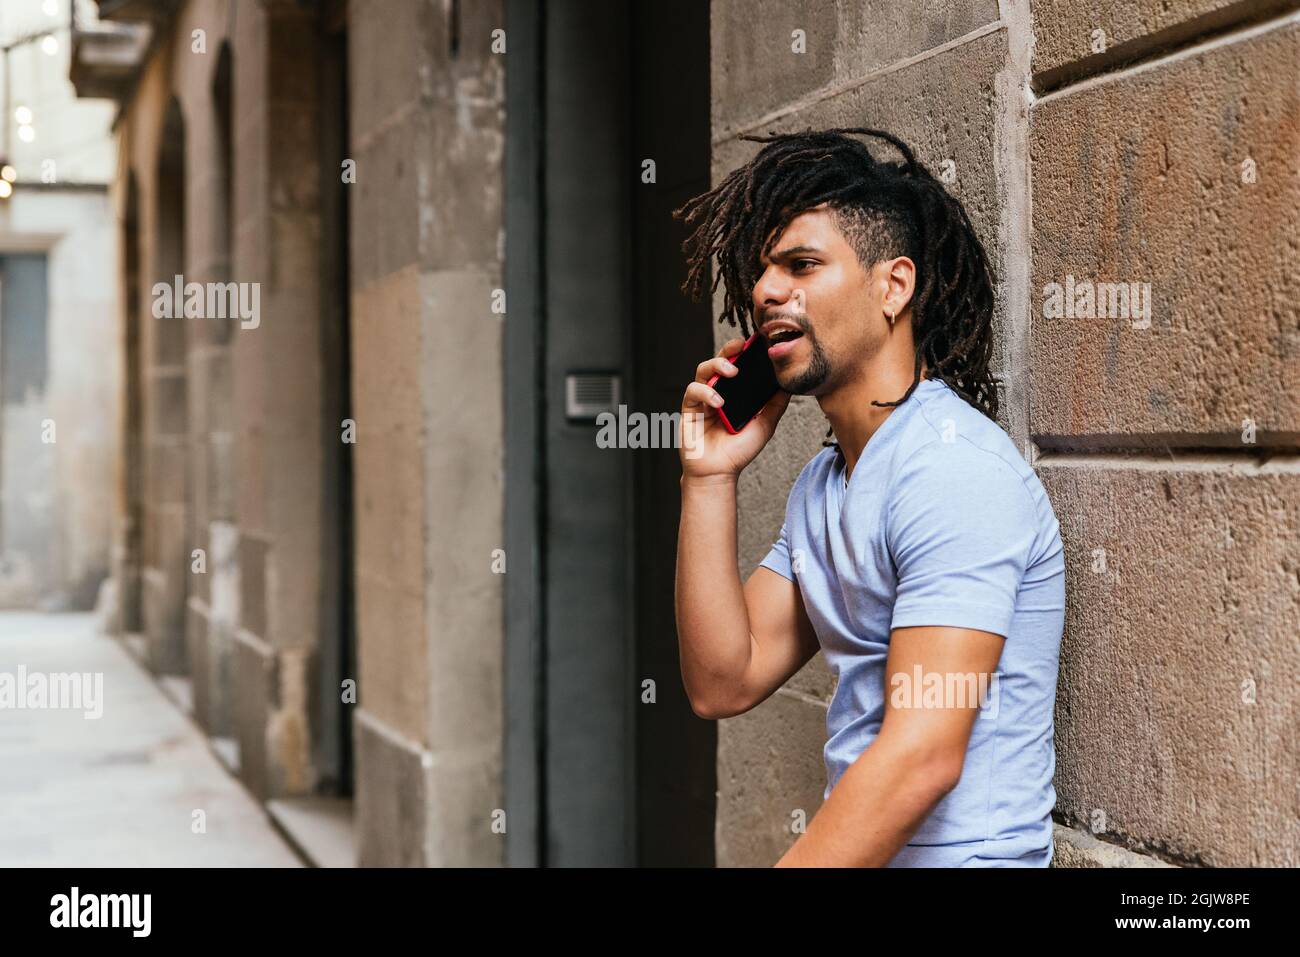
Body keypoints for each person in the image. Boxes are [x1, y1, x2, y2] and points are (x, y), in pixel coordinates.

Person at [672, 127, 1066, 867]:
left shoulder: (954, 472)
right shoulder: (825, 487)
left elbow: (922, 754)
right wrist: (708, 476)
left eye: (801, 264)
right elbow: (722, 681)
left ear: (894, 287)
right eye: (763, 272)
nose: (765, 292)